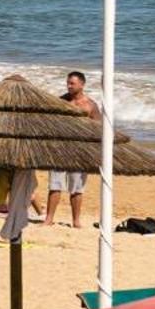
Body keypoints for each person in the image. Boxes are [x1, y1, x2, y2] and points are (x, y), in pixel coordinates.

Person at [45, 70, 101, 227]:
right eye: (68, 83)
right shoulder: (61, 102)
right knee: (55, 185)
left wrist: (93, 151)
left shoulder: (90, 105)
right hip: (60, 148)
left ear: (82, 84)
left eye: (72, 83)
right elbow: (49, 122)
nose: (69, 86)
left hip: (80, 150)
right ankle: (49, 219)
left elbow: (99, 128)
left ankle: (76, 221)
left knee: (77, 187)